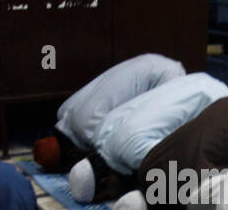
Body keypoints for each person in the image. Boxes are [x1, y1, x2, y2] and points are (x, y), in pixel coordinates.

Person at [67, 72, 228, 204]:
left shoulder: (137, 154)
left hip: (214, 99)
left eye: (106, 197)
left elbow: (181, 171)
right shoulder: (100, 132)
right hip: (195, 79)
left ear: (106, 181)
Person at [33, 53, 186, 172]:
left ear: (73, 155)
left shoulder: (91, 131)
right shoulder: (64, 110)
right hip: (152, 62)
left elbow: (122, 152)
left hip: (163, 77)